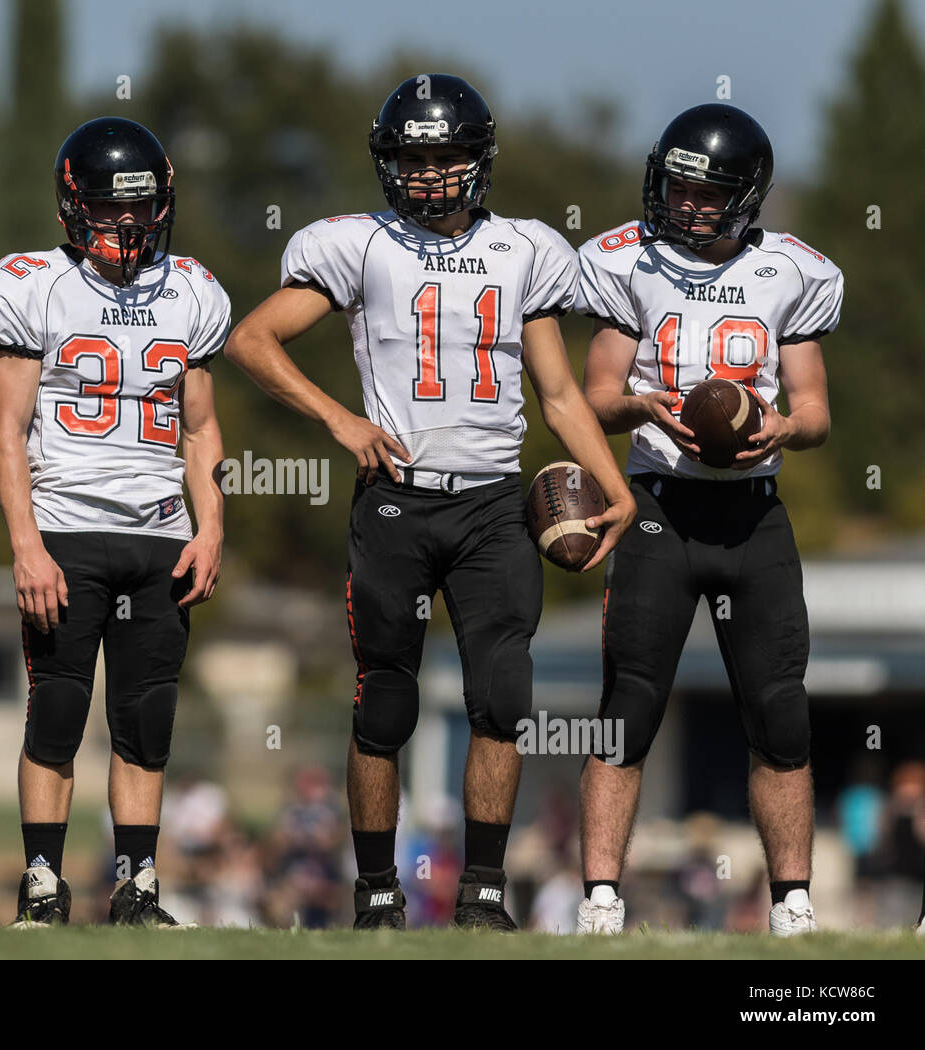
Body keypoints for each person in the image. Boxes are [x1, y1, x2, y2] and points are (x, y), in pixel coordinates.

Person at [225, 74, 634, 929]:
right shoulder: (356, 245)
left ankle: (481, 895)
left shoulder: (524, 247)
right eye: (413, 158)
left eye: (446, 157)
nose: (430, 174)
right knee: (386, 701)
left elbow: (559, 395)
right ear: (387, 164)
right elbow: (251, 340)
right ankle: (377, 895)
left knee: (503, 696)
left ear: (479, 162)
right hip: (397, 504)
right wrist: (340, 418)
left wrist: (616, 485)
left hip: (492, 505)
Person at [573, 103, 842, 936]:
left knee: (779, 711)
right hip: (661, 506)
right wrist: (641, 405)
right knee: (628, 705)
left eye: (706, 191)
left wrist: (780, 428)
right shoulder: (627, 261)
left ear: (747, 195)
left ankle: (792, 903)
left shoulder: (794, 271)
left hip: (754, 512)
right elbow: (596, 397)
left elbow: (817, 412)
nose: (686, 204)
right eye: (678, 185)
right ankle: (601, 901)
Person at [0, 117, 228, 927]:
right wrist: (25, 545)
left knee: (146, 720)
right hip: (67, 531)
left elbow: (202, 430)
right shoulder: (31, 285)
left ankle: (138, 885)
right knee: (56, 710)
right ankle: (43, 883)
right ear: (73, 209)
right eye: (112, 211)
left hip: (159, 535)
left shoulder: (190, 290)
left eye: (140, 210)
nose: (127, 227)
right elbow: (3, 431)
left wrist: (211, 526)